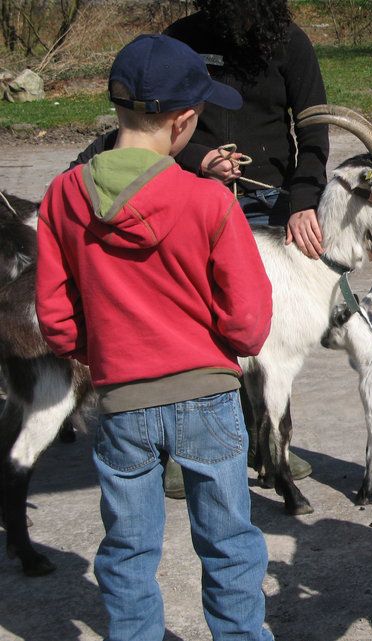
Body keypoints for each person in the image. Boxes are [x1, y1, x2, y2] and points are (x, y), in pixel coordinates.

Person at [36, 34, 274, 641]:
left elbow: (57, 318)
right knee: (229, 546)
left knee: (127, 550)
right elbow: (248, 323)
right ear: (185, 121)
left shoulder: (64, 196)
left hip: (119, 400)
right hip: (209, 397)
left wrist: (102, 353)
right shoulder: (210, 201)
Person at [70, 0, 325, 483]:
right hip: (195, 196)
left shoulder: (291, 42)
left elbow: (313, 129)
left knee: (268, 328)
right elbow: (160, 126)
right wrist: (201, 160)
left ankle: (269, 440)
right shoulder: (182, 37)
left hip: (271, 200)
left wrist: (304, 198)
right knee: (195, 320)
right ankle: (183, 449)